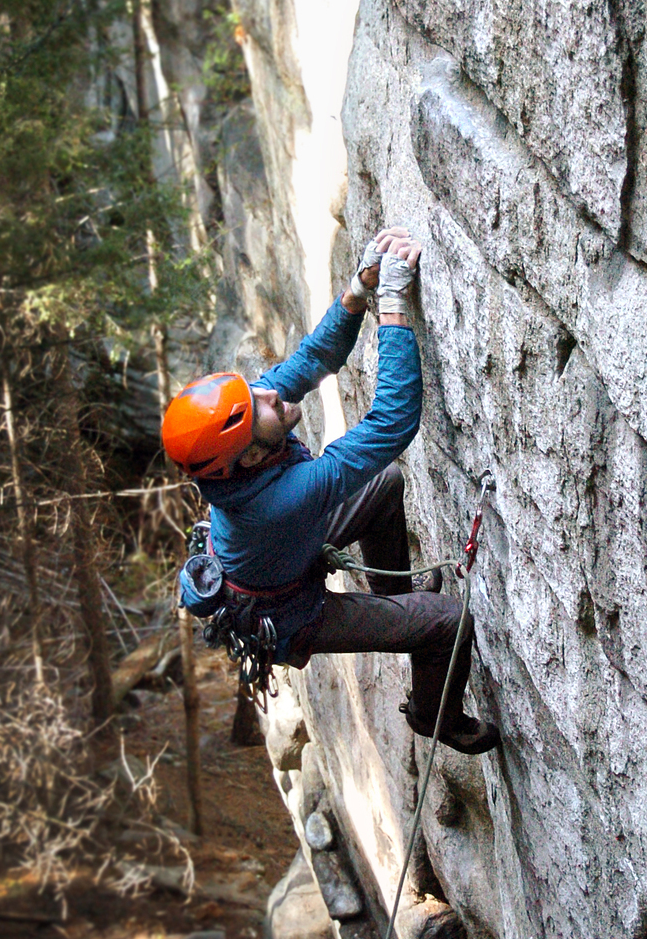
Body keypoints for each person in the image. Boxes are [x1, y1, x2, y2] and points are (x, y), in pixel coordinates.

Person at [161, 227, 499, 755]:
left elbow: (309, 362)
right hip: (289, 613)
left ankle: (394, 603)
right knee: (448, 621)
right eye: (262, 405)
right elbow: (391, 424)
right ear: (249, 455)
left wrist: (357, 293)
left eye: (257, 391)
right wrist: (392, 307)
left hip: (278, 559)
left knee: (383, 486)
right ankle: (436, 715)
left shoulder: (244, 444)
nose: (272, 391)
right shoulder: (280, 500)